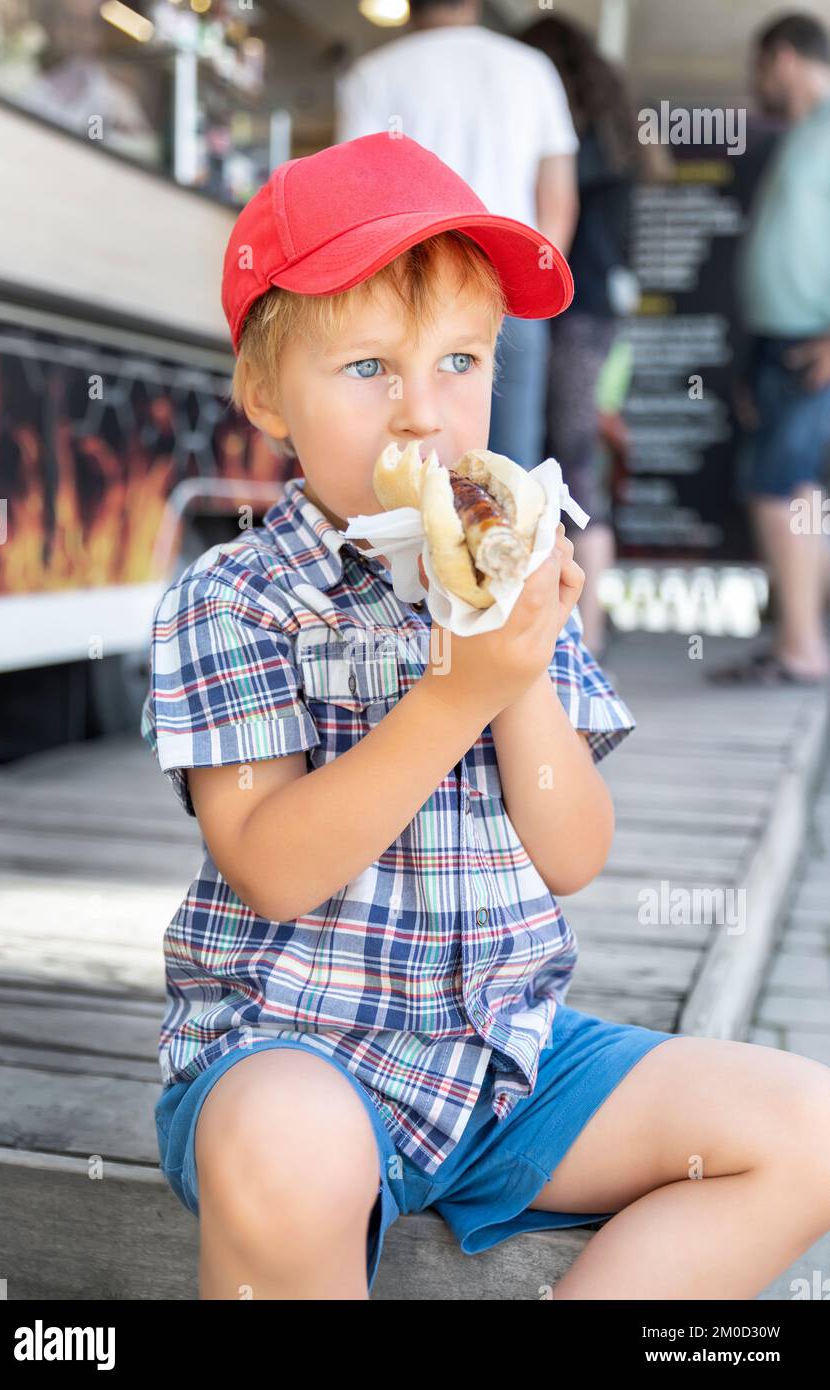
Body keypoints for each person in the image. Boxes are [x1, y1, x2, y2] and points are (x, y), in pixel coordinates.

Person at [142, 133, 830, 1300]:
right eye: (369, 370)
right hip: (294, 1046)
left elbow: (572, 852)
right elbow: (267, 866)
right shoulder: (234, 598)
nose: (423, 415)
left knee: (803, 1126)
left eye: (459, 362)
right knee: (285, 1147)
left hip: (507, 1060)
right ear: (266, 394)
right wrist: (451, 694)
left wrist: (512, 674)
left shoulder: (509, 565)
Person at [334, 0, 579, 474]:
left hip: (403, 295)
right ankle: (507, 549)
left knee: (401, 462)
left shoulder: (372, 74)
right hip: (509, 288)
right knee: (509, 467)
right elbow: (559, 200)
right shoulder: (531, 70)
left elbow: (355, 200)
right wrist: (531, 289)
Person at [709, 11, 830, 686]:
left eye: (760, 68)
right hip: (785, 341)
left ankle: (802, 649)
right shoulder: (807, 134)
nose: (757, 84)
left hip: (810, 343)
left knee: (776, 488)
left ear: (782, 57)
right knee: (797, 490)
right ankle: (802, 639)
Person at [520, 13, 641, 658]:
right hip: (597, 317)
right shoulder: (612, 139)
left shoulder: (576, 144)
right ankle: (583, 635)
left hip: (574, 313)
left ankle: (585, 642)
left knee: (568, 466)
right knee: (573, 464)